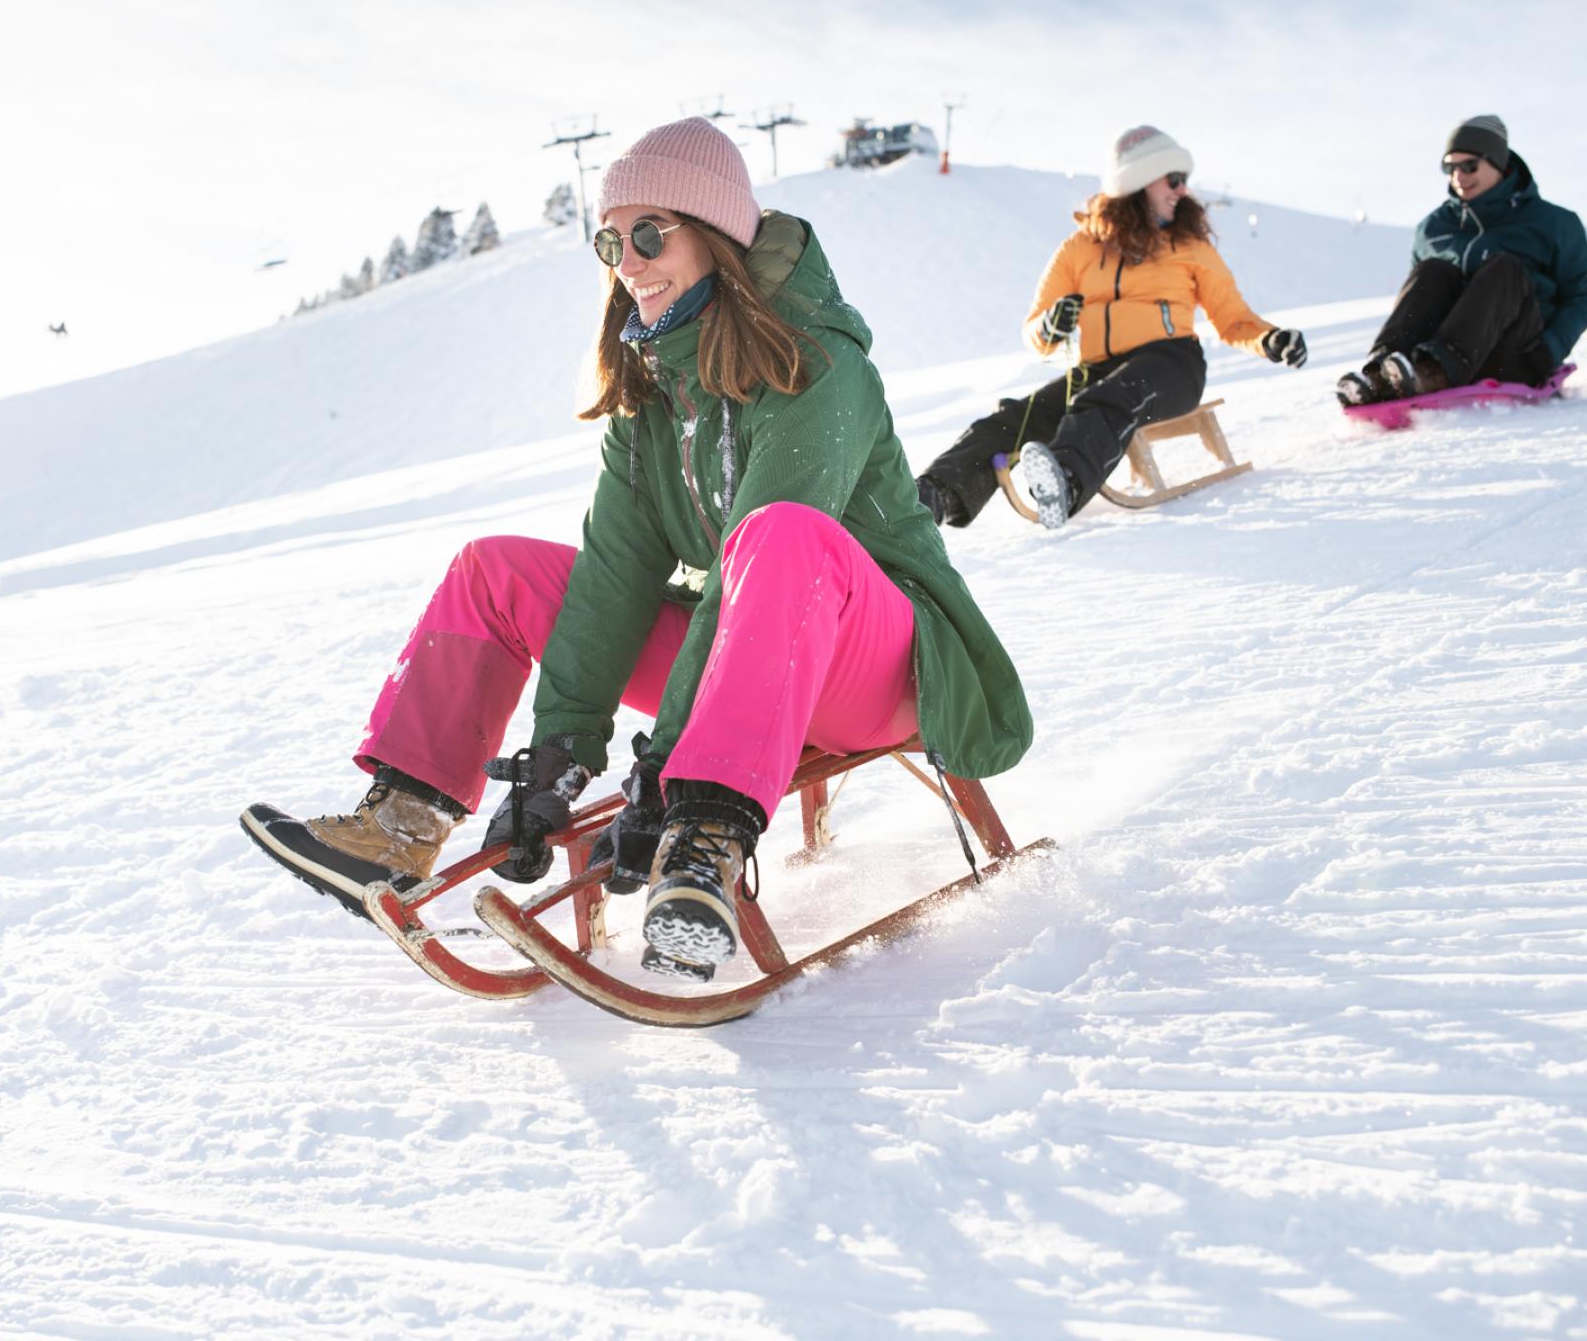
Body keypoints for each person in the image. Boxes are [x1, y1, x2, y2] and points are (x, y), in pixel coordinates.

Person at [241, 118, 1032, 978]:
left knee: (779, 535)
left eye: (649, 235)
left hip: (883, 667)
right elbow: (616, 576)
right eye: (609, 240)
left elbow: (757, 571)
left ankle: (705, 846)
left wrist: (661, 771)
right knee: (495, 571)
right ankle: (400, 822)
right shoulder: (654, 391)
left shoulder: (818, 365)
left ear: (719, 237)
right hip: (749, 659)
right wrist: (559, 759)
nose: (628, 260)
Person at [915, 125, 1308, 531]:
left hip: (1172, 363)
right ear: (1138, 182)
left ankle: (1063, 484)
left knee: (1110, 397)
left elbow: (1232, 318)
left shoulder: (1189, 246)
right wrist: (1052, 325)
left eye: (1184, 181)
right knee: (1013, 417)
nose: (1182, 190)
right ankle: (933, 495)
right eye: (1173, 179)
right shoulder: (1079, 248)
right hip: (1098, 368)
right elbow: (1035, 330)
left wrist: (1270, 339)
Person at [1336, 115, 1587, 406]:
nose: (1459, 177)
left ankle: (1435, 372)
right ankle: (1380, 374)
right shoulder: (1432, 227)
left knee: (1503, 268)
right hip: (1428, 352)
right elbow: (1417, 304)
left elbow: (1581, 294)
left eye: (1470, 166)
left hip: (1517, 355)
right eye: (1450, 167)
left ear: (1499, 164)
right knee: (1432, 271)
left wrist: (1549, 350)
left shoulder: (1553, 223)